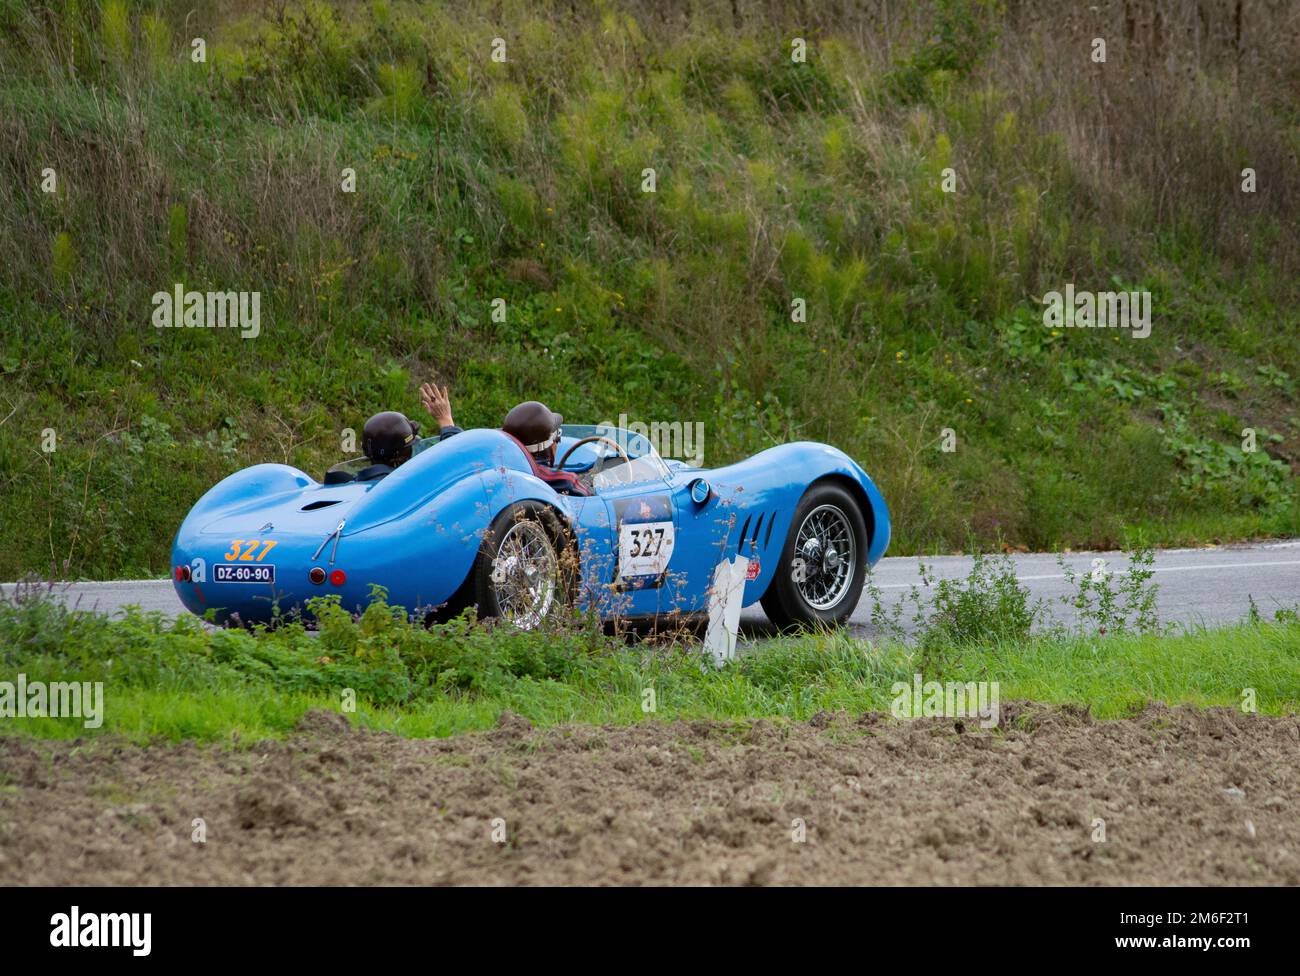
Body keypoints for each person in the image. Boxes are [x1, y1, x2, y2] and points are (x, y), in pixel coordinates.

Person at [419, 383, 588, 495]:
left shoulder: (490, 467)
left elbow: (459, 456)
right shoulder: (563, 481)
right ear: (549, 445)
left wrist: (445, 421)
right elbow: (593, 502)